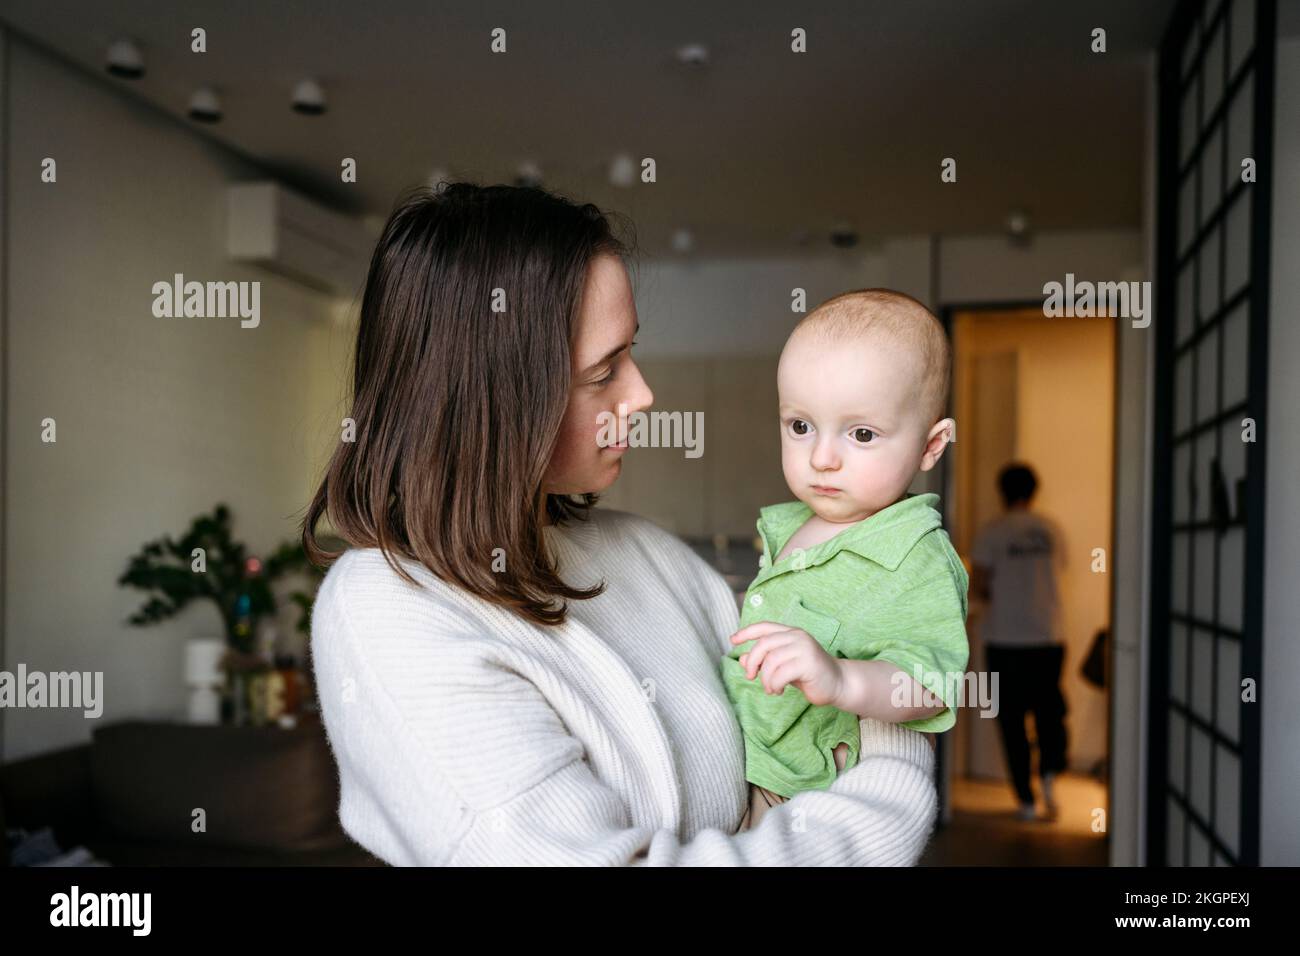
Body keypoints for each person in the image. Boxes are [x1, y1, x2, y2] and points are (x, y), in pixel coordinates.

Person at [301, 182, 939, 865]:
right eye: (604, 372)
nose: (642, 395)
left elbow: (825, 710)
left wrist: (881, 679)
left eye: (630, 353)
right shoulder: (389, 610)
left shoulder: (652, 556)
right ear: (497, 397)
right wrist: (894, 781)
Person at [721, 290, 968, 831]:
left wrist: (841, 680)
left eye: (861, 434)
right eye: (800, 426)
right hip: (738, 771)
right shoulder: (787, 526)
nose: (822, 457)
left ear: (931, 446)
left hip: (799, 796)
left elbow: (929, 682)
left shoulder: (914, 558)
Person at [970, 463, 1069, 822]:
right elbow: (1059, 573)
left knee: (1010, 720)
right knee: (1050, 714)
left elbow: (977, 585)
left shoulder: (991, 533)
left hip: (1004, 640)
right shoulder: (1051, 529)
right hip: (1048, 637)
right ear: (1034, 491)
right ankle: (1049, 776)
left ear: (1002, 492)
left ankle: (1025, 801)